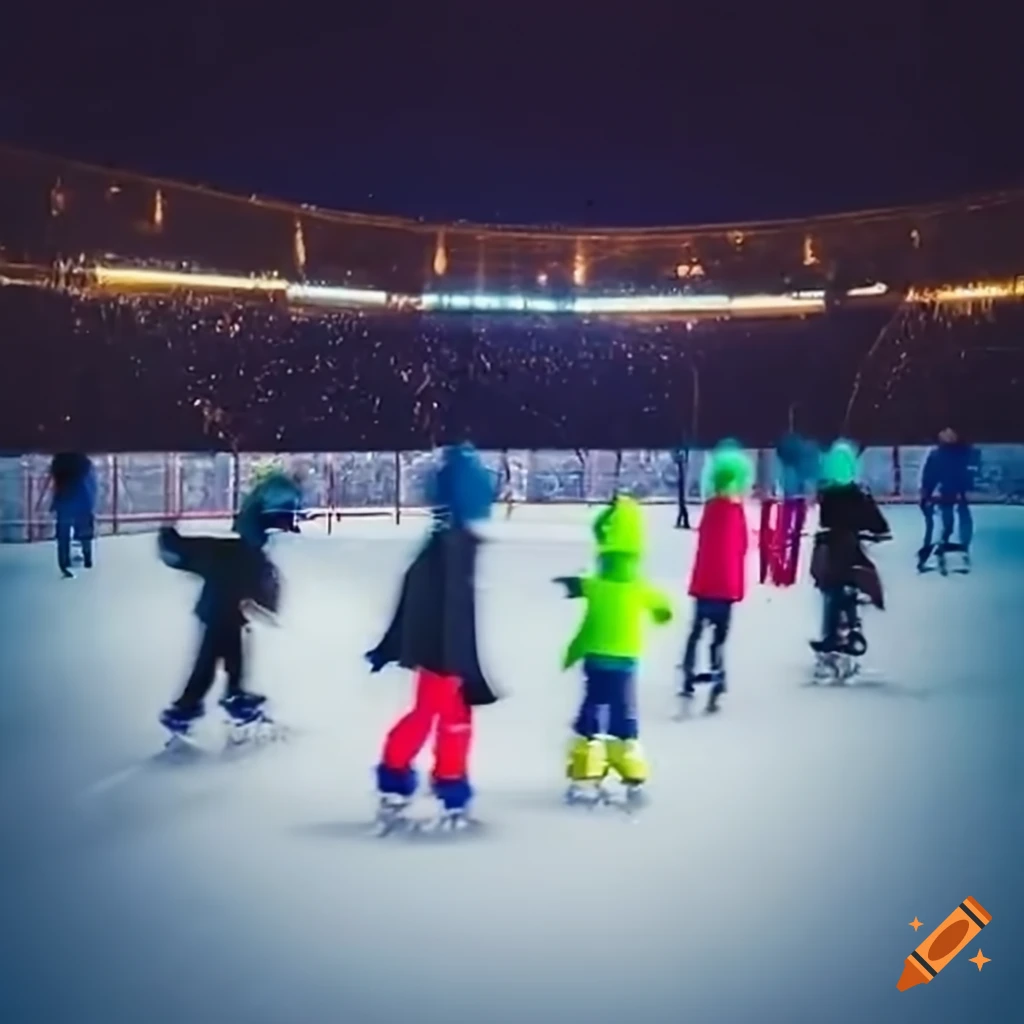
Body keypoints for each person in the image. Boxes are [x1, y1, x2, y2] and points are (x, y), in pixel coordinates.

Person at [366, 443, 499, 829]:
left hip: (448, 656)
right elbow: (435, 604)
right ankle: (404, 778)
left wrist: (389, 646)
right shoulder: (451, 549)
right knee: (434, 716)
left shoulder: (446, 545)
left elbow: (415, 596)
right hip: (445, 657)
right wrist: (453, 661)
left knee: (451, 718)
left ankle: (442, 783)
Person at [156, 470, 303, 737]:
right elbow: (196, 553)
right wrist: (171, 539)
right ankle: (199, 706)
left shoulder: (245, 550)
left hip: (225, 612)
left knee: (224, 658)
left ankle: (218, 701)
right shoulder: (237, 551)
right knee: (213, 660)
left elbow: (195, 554)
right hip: (221, 611)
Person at [554, 495, 672, 805]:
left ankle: (585, 771)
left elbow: (581, 585)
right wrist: (662, 613)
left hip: (595, 660)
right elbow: (662, 606)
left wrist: (572, 651)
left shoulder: (597, 584)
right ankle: (630, 766)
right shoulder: (639, 587)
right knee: (624, 712)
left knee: (592, 709)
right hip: (625, 661)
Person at [681, 442, 753, 712]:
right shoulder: (737, 512)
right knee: (719, 637)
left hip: (705, 585)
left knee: (696, 632)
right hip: (726, 588)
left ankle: (688, 674)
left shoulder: (711, 510)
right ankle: (717, 675)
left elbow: (703, 543)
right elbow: (743, 546)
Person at [809, 441, 890, 661]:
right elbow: (879, 524)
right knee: (851, 581)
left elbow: (826, 520)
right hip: (851, 548)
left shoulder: (828, 493)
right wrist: (877, 532)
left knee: (831, 587)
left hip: (833, 548)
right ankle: (852, 627)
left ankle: (831, 634)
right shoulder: (859, 493)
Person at [918, 428, 978, 574]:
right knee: (946, 524)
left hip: (954, 493)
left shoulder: (963, 453)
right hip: (947, 494)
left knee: (956, 523)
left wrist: (927, 492)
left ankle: (956, 552)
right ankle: (942, 552)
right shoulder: (940, 455)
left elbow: (968, 472)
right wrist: (926, 492)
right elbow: (929, 475)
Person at [50, 453, 97, 579]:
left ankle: (64, 562)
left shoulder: (59, 460)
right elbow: (91, 483)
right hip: (82, 501)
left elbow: (56, 479)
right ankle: (87, 560)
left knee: (63, 534)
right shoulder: (83, 462)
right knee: (84, 532)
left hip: (64, 501)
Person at [672, 444, 691, 529]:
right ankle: (681, 521)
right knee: (681, 502)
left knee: (681, 502)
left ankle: (683, 521)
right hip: (682, 476)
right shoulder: (684, 453)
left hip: (681, 477)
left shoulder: (682, 453)